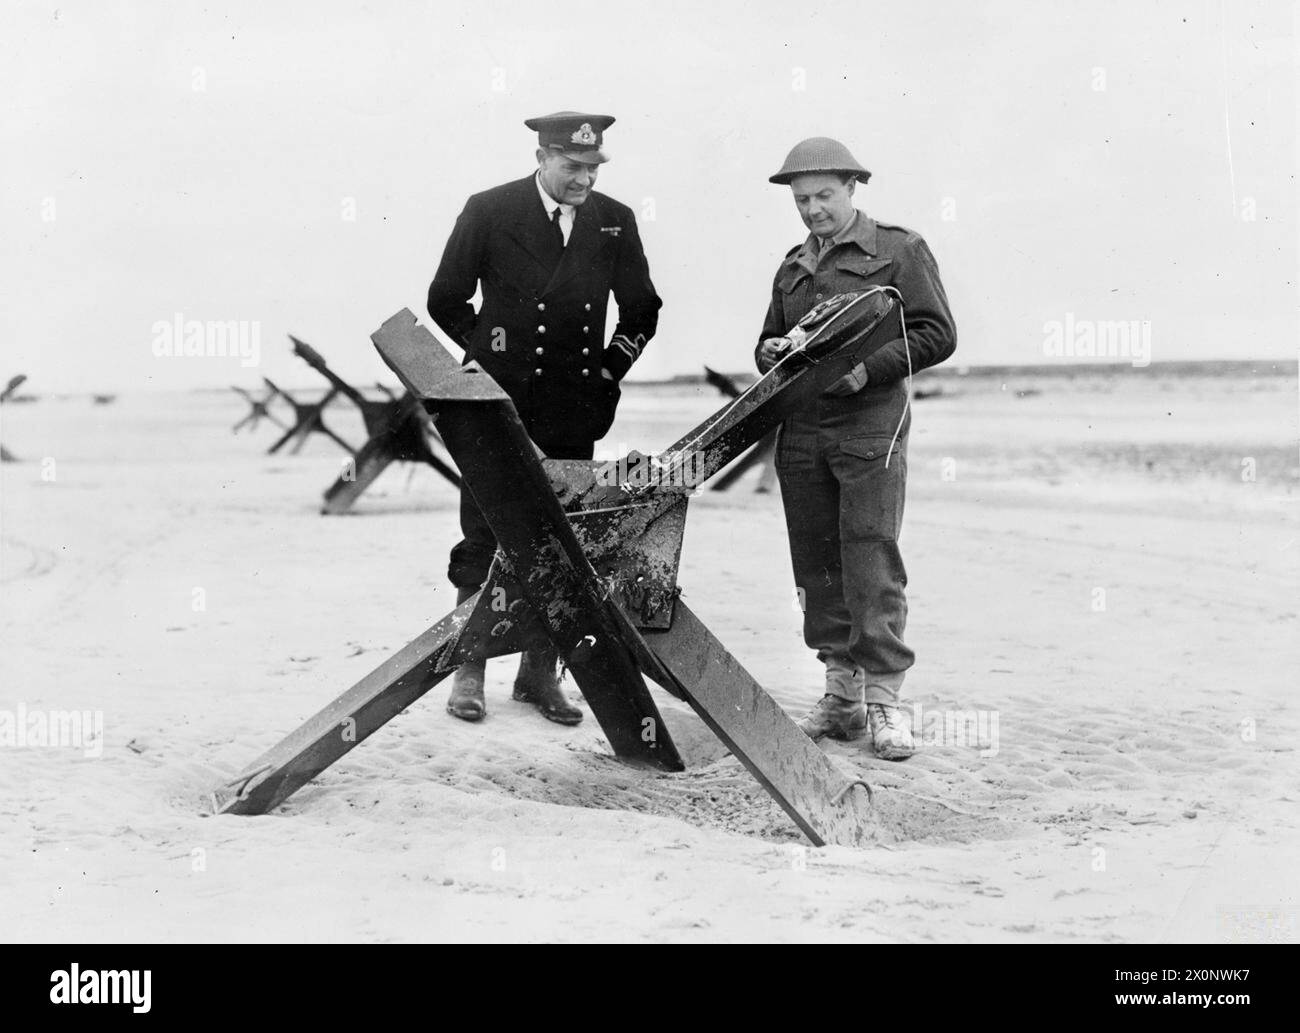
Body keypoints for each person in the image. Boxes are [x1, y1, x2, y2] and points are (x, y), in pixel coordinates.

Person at [428, 110, 661, 726]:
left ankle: (537, 675)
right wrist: (483, 360)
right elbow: (444, 298)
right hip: (495, 406)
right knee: (484, 530)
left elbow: (642, 310)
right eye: (571, 166)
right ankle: (469, 668)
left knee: (561, 536)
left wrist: (610, 368)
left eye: (592, 168)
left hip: (573, 406)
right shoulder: (489, 209)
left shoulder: (616, 221)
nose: (583, 179)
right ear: (542, 158)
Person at [755, 137, 956, 759]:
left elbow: (936, 333)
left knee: (870, 560)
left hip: (870, 428)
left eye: (824, 196)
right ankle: (840, 697)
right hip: (802, 432)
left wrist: (870, 371)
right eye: (802, 200)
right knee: (814, 565)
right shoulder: (793, 266)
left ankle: (885, 705)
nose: (813, 210)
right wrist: (766, 353)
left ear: (851, 188)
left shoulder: (899, 249)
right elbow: (771, 340)